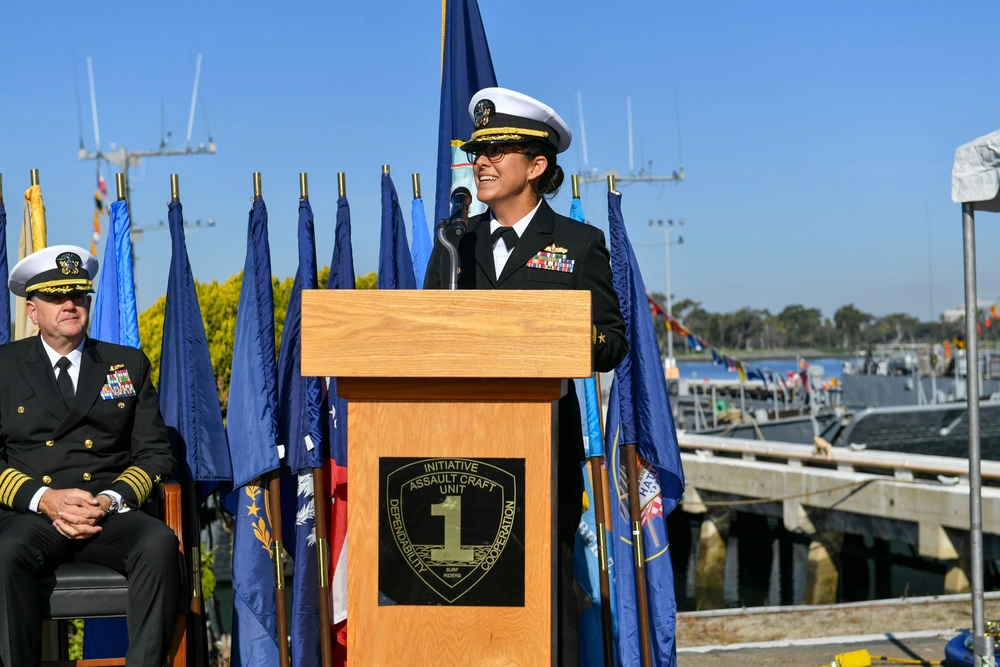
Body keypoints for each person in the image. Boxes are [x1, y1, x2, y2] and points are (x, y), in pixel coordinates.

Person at [425, 87, 628, 665]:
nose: (480, 162)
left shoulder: (577, 244)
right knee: (466, 605)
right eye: (476, 151)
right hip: (455, 453)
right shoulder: (453, 241)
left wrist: (550, 340)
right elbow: (423, 330)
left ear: (537, 165)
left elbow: (611, 340)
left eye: (497, 152)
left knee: (544, 601)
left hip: (543, 450)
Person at [0, 245, 179, 666]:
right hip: (33, 516)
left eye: (78, 296)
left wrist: (109, 500)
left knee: (160, 544)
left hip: (106, 513)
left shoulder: (126, 364)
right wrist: (44, 499)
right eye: (56, 297)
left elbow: (154, 453)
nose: (69, 305)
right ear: (32, 310)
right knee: (3, 555)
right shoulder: (4, 368)